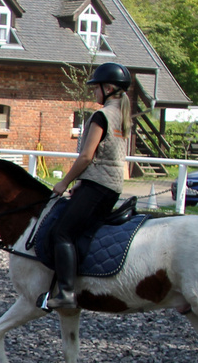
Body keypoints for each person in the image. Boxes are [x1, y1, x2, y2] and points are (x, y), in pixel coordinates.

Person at [38, 61, 133, 311]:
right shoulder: (122, 116)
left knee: (62, 232)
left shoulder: (101, 116)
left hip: (98, 185)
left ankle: (66, 293)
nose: (94, 93)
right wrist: (83, 182)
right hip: (110, 186)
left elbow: (86, 156)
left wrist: (64, 182)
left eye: (96, 88)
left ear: (109, 88)